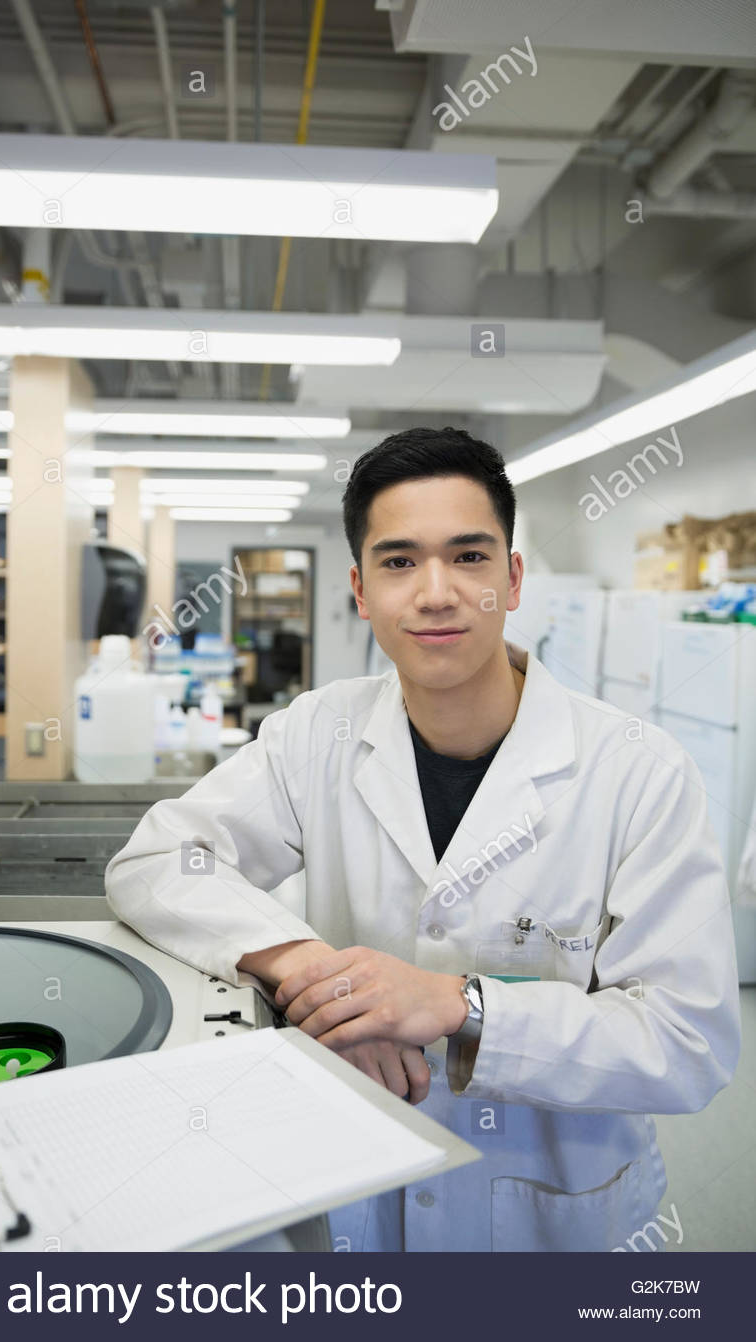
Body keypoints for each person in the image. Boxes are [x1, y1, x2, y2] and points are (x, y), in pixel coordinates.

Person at [104, 425, 740, 1252]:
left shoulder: (638, 772)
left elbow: (687, 1043)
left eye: (469, 557)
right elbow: (159, 861)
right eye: (399, 561)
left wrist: (457, 1006)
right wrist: (313, 975)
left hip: (560, 1223)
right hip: (362, 1172)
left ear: (511, 580)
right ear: (361, 591)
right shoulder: (315, 735)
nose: (435, 592)